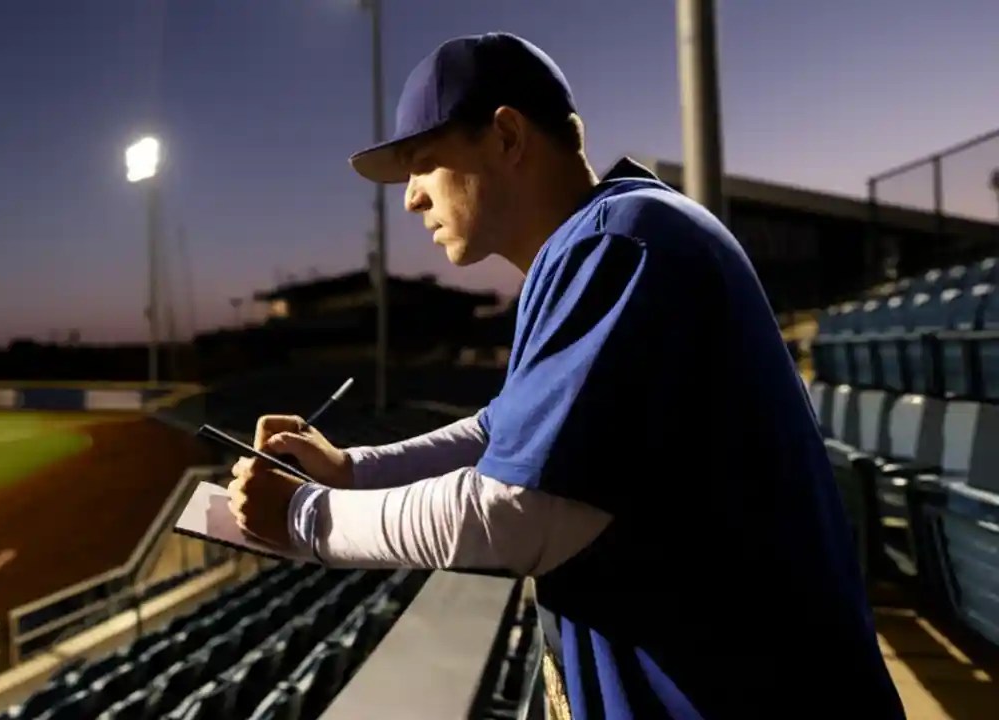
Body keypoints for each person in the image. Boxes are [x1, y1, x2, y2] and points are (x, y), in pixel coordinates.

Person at [228, 32, 904, 719]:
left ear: (508, 136)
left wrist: (303, 518)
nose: (410, 201)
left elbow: (517, 513)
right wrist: (353, 470)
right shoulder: (602, 237)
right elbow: (501, 426)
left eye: (424, 165)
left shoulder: (621, 239)